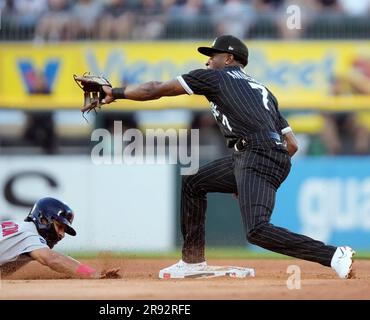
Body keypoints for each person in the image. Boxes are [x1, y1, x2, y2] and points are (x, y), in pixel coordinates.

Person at [90, 35, 355, 279]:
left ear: (228, 59)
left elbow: (155, 88)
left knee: (257, 231)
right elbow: (293, 144)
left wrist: (116, 93)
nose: (207, 61)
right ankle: (192, 261)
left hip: (254, 155)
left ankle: (333, 255)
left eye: (213, 55)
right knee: (194, 183)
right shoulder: (262, 90)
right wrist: (247, 176)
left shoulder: (215, 78)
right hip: (267, 156)